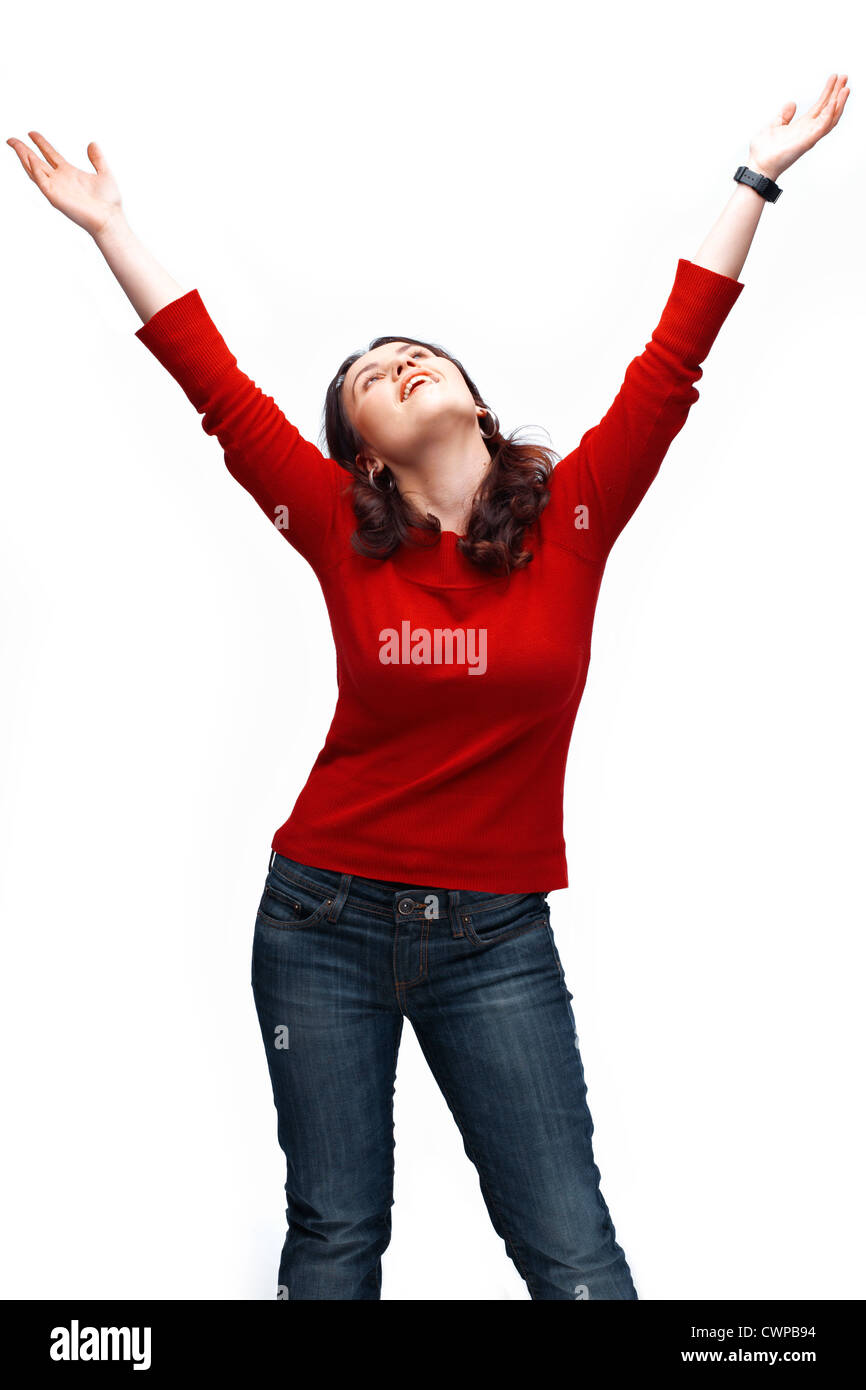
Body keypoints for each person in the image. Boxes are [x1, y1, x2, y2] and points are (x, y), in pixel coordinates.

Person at [6, 73, 849, 1301]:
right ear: (360, 456)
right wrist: (110, 225)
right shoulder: (336, 533)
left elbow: (672, 357)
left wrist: (755, 176)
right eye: (369, 376)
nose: (399, 363)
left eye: (416, 354)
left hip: (495, 936)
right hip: (318, 926)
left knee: (571, 1256)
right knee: (336, 1242)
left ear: (471, 400)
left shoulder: (576, 514)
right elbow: (219, 395)